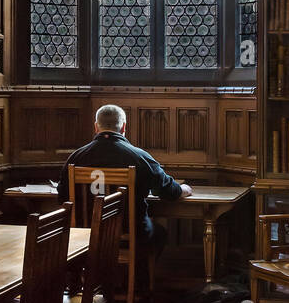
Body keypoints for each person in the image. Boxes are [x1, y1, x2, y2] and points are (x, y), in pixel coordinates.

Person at [57, 103, 192, 288]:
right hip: (132, 236)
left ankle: (83, 285)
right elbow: (170, 192)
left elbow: (62, 197)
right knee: (159, 233)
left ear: (96, 126)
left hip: (86, 239)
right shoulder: (139, 157)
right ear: (124, 127)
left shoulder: (75, 158)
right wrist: (185, 189)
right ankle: (138, 287)